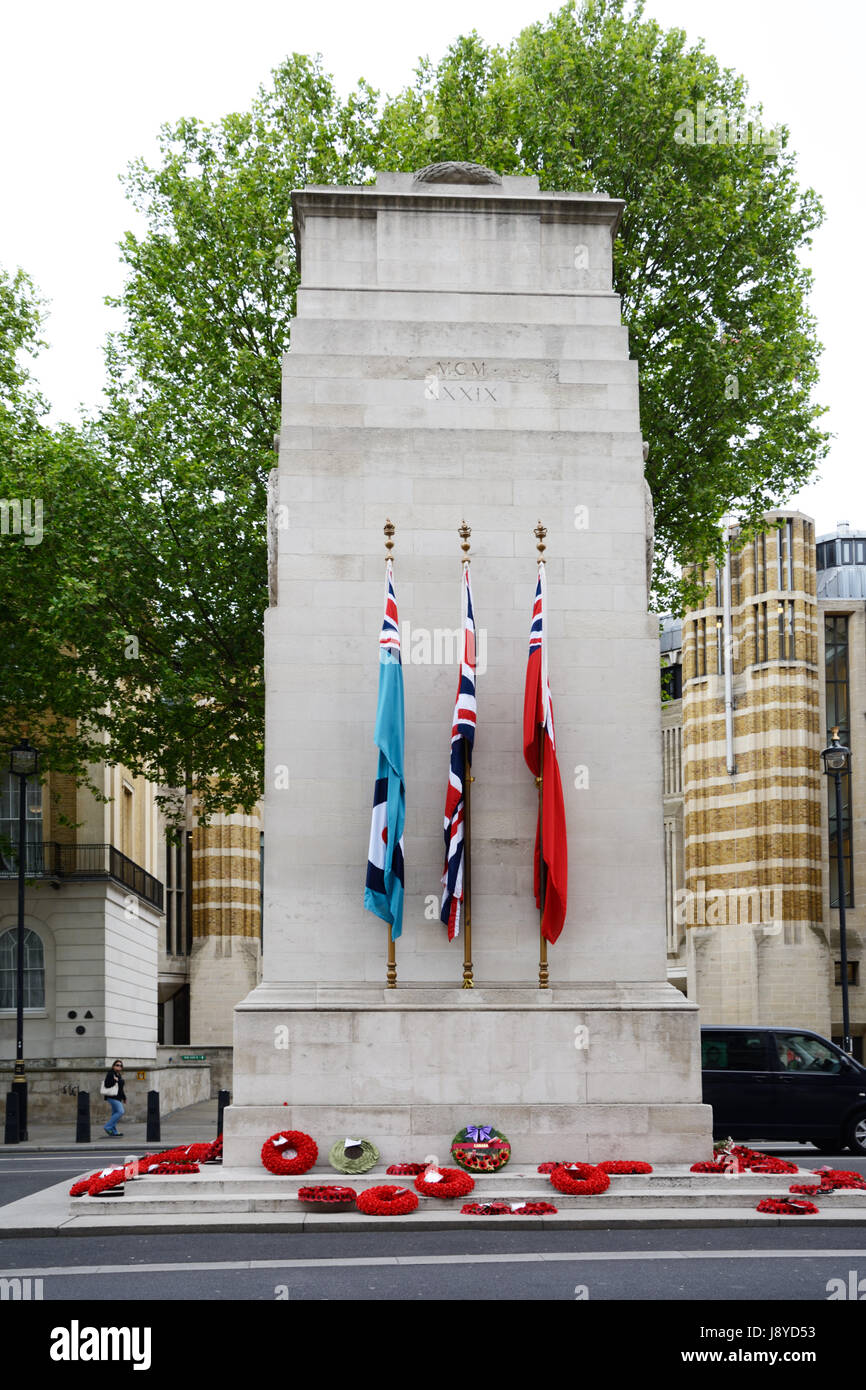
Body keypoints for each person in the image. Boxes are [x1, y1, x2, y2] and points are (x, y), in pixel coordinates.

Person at [102, 1059, 126, 1136]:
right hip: (112, 1097)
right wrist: (115, 1080)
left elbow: (120, 1088)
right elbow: (107, 1085)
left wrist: (124, 1097)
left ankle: (114, 1131)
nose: (119, 1066)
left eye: (120, 1065)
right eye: (117, 1065)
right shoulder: (110, 1073)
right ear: (113, 1066)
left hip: (118, 1097)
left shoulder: (118, 1075)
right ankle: (107, 1127)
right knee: (120, 1111)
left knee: (115, 1114)